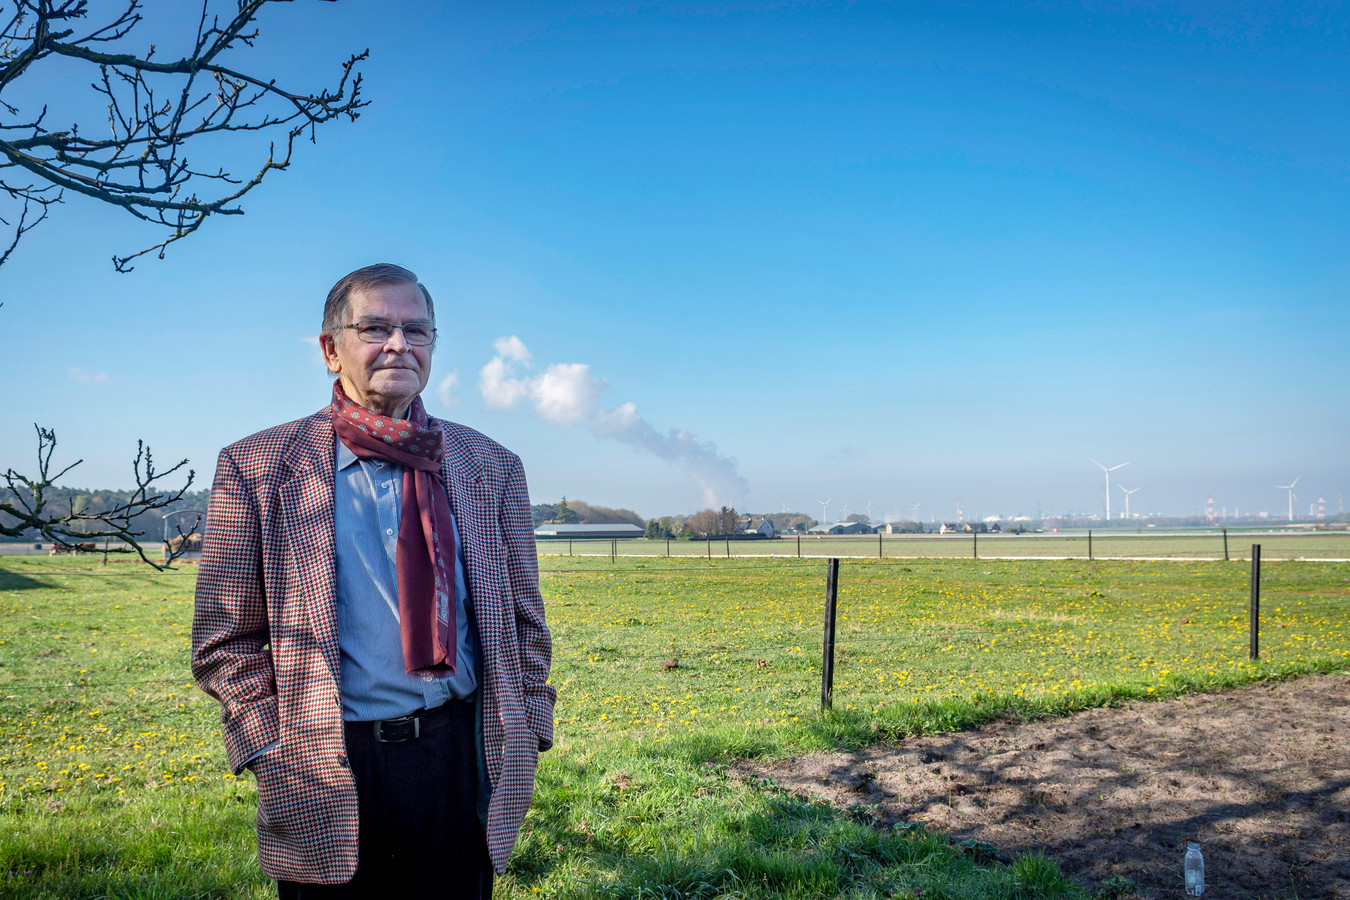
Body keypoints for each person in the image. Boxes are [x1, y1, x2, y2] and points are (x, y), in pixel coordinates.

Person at [191, 263, 555, 898]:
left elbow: (526, 621)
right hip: (322, 765)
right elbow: (224, 642)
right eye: (376, 327)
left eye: (416, 330)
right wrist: (269, 751)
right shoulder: (257, 467)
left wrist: (533, 725)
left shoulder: (490, 466)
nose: (399, 344)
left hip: (459, 758)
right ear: (331, 350)